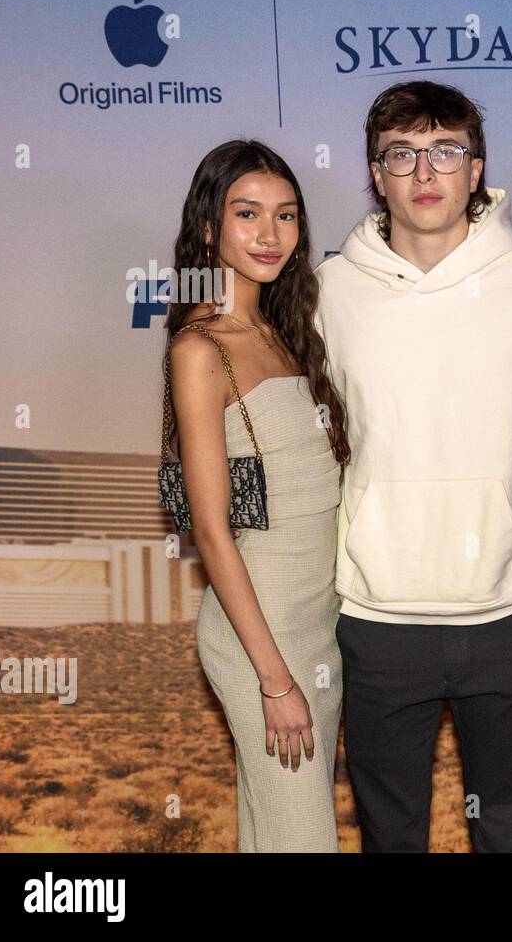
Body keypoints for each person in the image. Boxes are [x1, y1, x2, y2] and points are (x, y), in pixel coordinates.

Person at [315, 80, 512, 852]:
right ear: (376, 173)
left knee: (505, 834)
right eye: (403, 154)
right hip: (376, 622)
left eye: (445, 152)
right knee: (390, 839)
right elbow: (315, 455)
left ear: (476, 168)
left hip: (508, 620)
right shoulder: (328, 292)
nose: (424, 174)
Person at [165, 140, 351, 852]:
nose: (270, 234)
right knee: (302, 838)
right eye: (248, 214)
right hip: (259, 638)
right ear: (210, 227)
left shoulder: (286, 330)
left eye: (287, 216)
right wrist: (275, 680)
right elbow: (211, 530)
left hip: (318, 624)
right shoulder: (200, 349)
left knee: (276, 832)